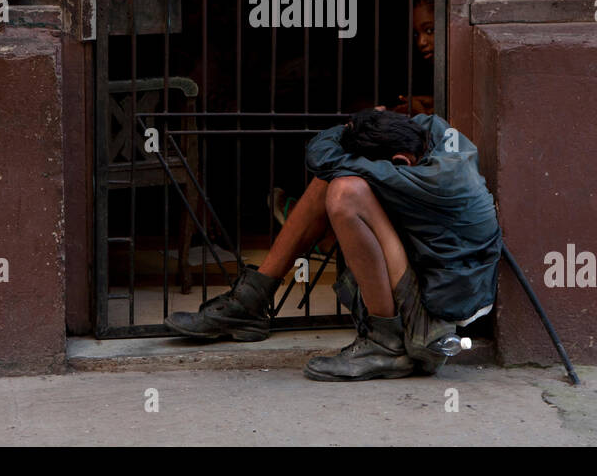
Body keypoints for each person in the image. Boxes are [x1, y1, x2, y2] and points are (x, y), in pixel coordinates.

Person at [165, 108, 501, 381]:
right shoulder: (430, 131)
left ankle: (385, 343)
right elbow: (330, 160)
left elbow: (323, 156)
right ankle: (250, 302)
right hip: (421, 262)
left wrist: (349, 128)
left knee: (345, 191)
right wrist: (370, 119)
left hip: (437, 309)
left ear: (401, 161)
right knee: (333, 183)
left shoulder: (437, 177)